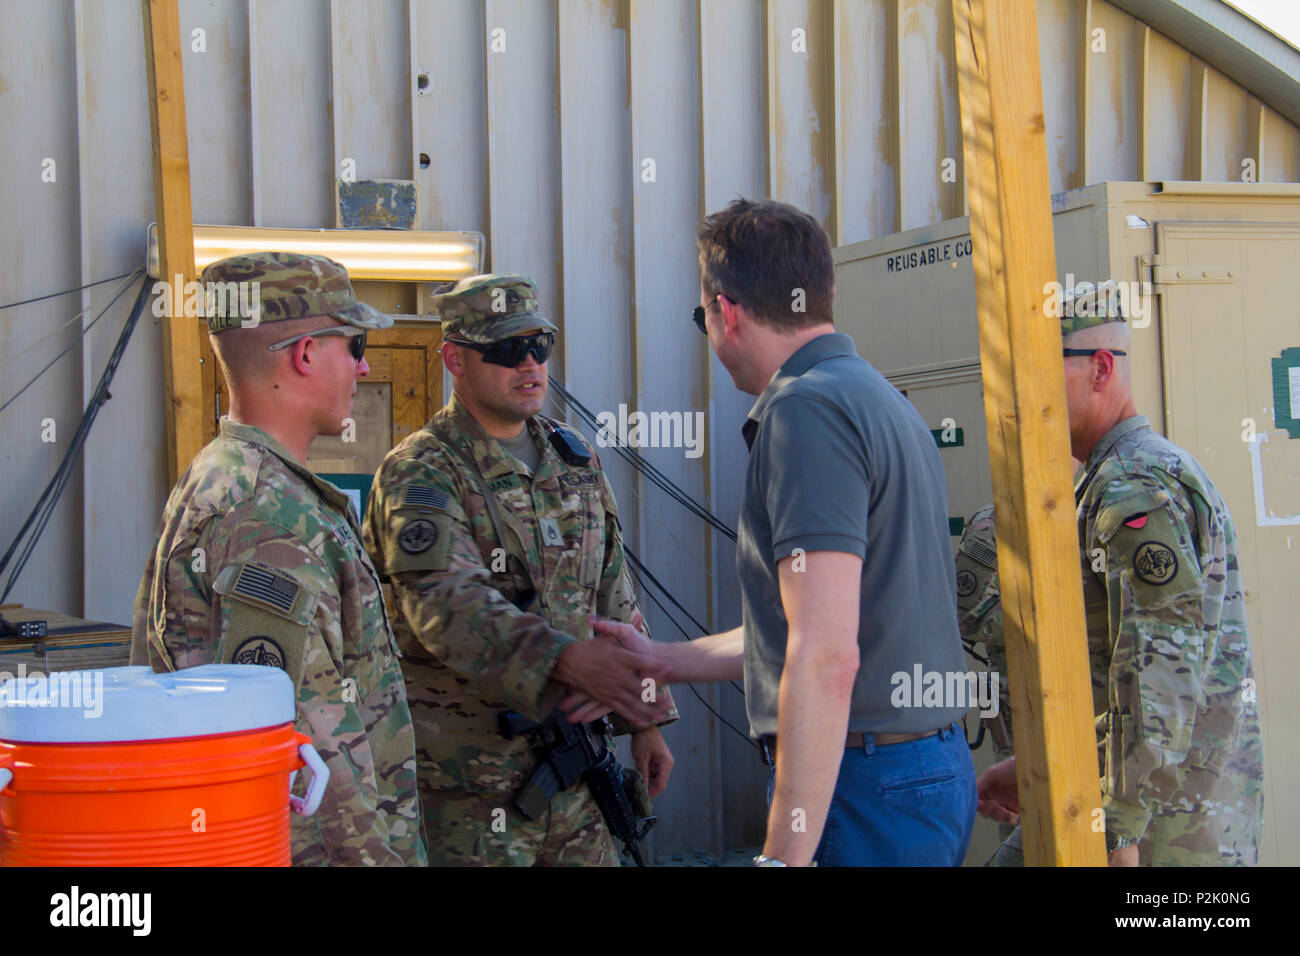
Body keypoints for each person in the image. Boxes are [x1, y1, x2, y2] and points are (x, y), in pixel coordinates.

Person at [597, 198, 977, 866]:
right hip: (911, 771)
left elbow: (824, 656)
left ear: (727, 312)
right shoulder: (874, 397)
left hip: (864, 784)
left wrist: (782, 857)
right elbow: (816, 630)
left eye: (703, 318)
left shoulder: (807, 411)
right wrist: (662, 660)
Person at [363, 273, 677, 867]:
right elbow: (447, 605)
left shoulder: (572, 457)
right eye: (507, 350)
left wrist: (645, 717)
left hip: (578, 775)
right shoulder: (423, 471)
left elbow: (613, 592)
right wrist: (565, 660)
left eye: (539, 345)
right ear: (454, 358)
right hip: (468, 791)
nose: (529, 364)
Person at [131, 251, 426, 866]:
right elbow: (310, 755)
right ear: (306, 354)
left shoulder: (230, 479)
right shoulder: (268, 517)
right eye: (355, 344)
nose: (365, 365)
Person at [974, 281, 1264, 866]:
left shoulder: (1133, 487)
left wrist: (1117, 830)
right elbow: (1109, 672)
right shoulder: (1112, 477)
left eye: (1035, 371)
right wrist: (1039, 766)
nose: (1020, 394)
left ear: (1100, 369)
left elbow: (1159, 681)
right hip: (1115, 803)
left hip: (1161, 832)